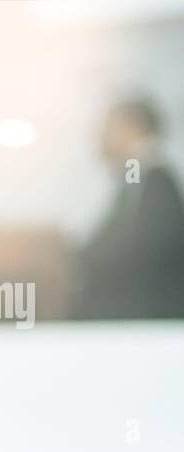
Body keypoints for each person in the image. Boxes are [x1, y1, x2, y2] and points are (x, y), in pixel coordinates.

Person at [73, 96, 184, 320]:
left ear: (133, 126)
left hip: (148, 317)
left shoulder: (152, 176)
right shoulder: (135, 173)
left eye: (111, 127)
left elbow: (139, 243)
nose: (104, 136)